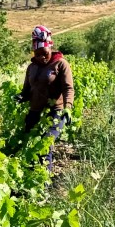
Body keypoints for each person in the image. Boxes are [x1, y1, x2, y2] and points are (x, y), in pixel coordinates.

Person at [17, 26, 74, 171]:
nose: (41, 57)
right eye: (37, 54)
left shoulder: (61, 64)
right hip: (35, 111)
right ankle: (29, 176)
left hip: (56, 111)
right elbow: (26, 90)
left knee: (45, 143)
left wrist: (68, 107)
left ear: (50, 49)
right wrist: (21, 97)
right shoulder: (31, 68)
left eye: (44, 53)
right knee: (28, 141)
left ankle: (44, 181)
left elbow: (68, 88)